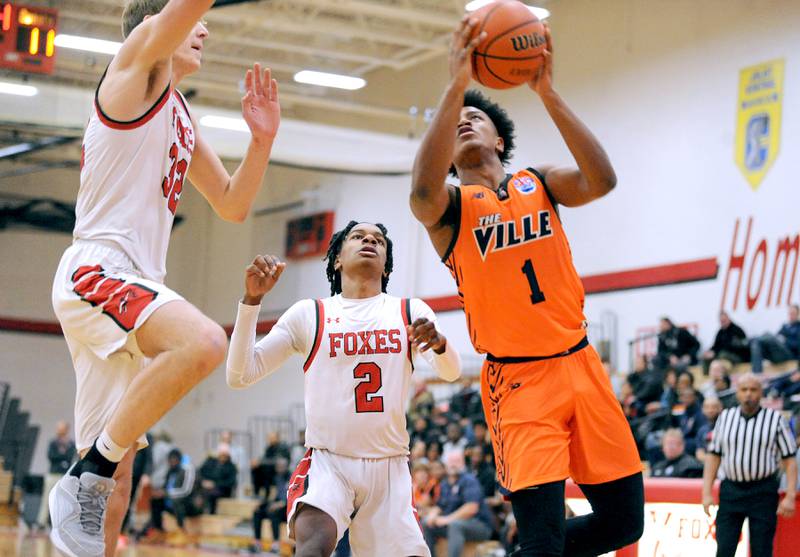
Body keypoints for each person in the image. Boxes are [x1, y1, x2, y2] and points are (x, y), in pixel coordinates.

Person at [47, 0, 281, 555]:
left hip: (136, 285)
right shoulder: (133, 68)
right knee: (203, 342)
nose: (204, 29)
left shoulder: (178, 112)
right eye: (195, 21)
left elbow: (231, 203)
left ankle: (93, 477)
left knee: (118, 482)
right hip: (98, 269)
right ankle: (88, 470)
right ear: (159, 24)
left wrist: (262, 142)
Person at [409, 16, 643, 556]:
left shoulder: (538, 183)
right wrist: (453, 86)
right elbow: (421, 189)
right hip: (518, 385)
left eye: (476, 116)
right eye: (457, 121)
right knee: (543, 540)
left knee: (624, 524)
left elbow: (602, 180)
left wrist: (547, 91)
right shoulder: (450, 210)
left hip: (581, 363)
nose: (466, 121)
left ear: (499, 138)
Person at [225, 221, 462, 557]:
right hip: (328, 461)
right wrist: (251, 302)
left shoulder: (409, 311)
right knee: (315, 543)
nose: (369, 240)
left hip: (390, 467)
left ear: (386, 263)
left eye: (378, 240)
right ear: (336, 258)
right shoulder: (311, 313)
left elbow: (450, 372)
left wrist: (438, 344)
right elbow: (241, 374)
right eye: (358, 236)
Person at [702, 373, 797, 557]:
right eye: (744, 390)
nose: (748, 394)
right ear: (737, 393)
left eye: (753, 390)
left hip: (763, 491)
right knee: (724, 549)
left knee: (761, 550)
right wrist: (706, 493)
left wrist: (790, 495)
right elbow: (713, 456)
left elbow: (789, 460)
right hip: (731, 490)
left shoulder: (775, 420)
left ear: (761, 392)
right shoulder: (725, 418)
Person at [144, 449, 195, 546]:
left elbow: (186, 491)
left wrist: (165, 493)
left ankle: (182, 532)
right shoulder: (170, 471)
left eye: (174, 460)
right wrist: (159, 493)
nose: (172, 462)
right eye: (170, 460)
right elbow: (164, 488)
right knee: (155, 500)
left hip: (188, 504)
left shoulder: (187, 469)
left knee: (176, 501)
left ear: (179, 460)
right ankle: (159, 531)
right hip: (171, 504)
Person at [37, 421, 77, 528]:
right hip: (52, 474)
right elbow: (51, 456)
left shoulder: (71, 444)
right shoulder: (53, 443)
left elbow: (69, 457)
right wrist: (62, 457)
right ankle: (41, 522)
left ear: (66, 429)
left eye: (62, 428)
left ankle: (59, 522)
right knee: (46, 498)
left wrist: (62, 457)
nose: (59, 430)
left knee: (62, 500)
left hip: (64, 475)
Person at [251, 457, 290, 554]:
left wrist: (281, 503)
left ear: (286, 467)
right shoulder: (274, 477)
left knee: (274, 513)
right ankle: (257, 542)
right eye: (278, 466)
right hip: (274, 504)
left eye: (281, 466)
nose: (279, 468)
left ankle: (276, 544)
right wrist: (262, 503)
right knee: (257, 511)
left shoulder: (291, 477)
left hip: (286, 506)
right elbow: (270, 494)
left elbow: (292, 495)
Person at [751, 304, 800, 373]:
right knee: (756, 342)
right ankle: (756, 373)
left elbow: (797, 345)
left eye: (793, 313)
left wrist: (785, 341)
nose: (791, 316)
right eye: (790, 313)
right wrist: (780, 340)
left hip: (789, 354)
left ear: (798, 314)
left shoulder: (798, 327)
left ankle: (757, 338)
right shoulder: (785, 326)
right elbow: (777, 339)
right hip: (777, 354)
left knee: (768, 336)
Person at [199, 444, 237, 514]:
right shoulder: (210, 462)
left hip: (223, 490)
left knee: (211, 494)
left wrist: (215, 484)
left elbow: (231, 482)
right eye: (221, 454)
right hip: (207, 486)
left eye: (225, 454)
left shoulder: (231, 467)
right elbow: (201, 472)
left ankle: (211, 513)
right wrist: (203, 482)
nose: (223, 456)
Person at [695, 397, 723, 462]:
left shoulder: (727, 427)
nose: (710, 410)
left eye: (714, 407)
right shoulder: (702, 430)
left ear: (720, 408)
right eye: (707, 407)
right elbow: (699, 453)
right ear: (702, 410)